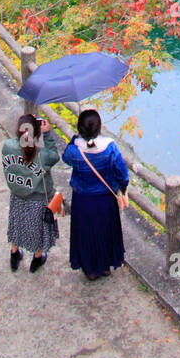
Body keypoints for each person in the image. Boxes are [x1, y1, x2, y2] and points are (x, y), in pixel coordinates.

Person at [62, 110, 130, 281]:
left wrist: (73, 139)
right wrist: (122, 187)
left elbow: (65, 158)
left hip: (83, 199)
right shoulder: (109, 147)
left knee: (86, 233)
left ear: (80, 129)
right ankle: (105, 266)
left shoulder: (74, 150)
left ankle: (90, 269)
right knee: (105, 231)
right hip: (105, 199)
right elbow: (122, 173)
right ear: (99, 128)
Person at [1, 114, 61, 273]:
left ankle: (14, 254)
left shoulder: (8, 146)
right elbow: (54, 156)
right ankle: (37, 258)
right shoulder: (42, 155)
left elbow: (21, 144)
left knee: (17, 223)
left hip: (18, 194)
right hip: (38, 197)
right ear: (37, 133)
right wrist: (47, 135)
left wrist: (27, 126)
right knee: (38, 230)